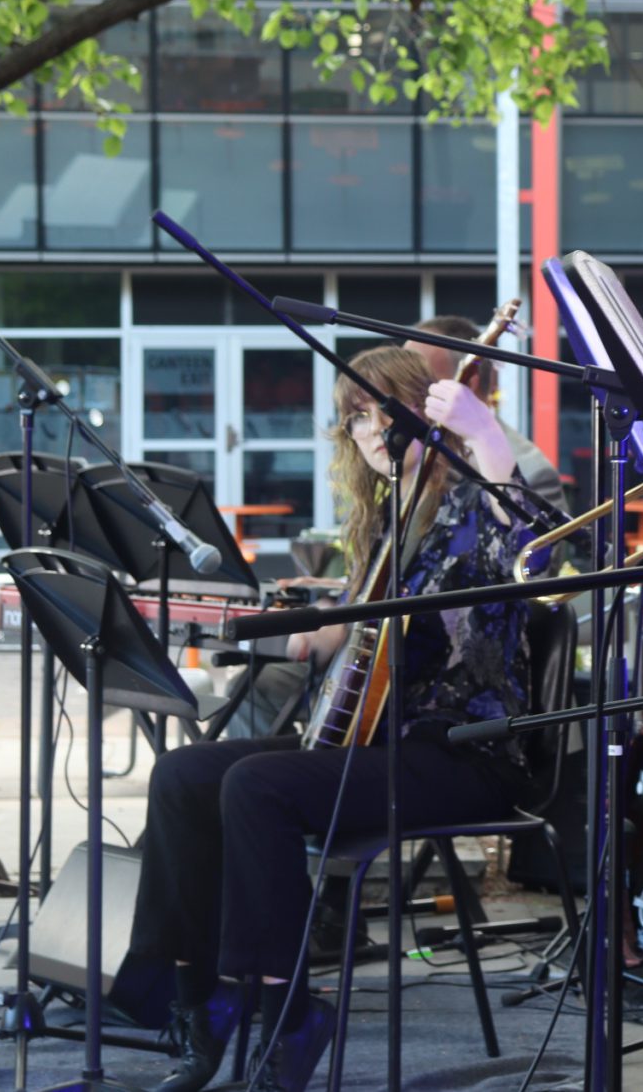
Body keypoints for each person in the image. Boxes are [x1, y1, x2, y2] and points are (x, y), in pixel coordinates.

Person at [128, 346, 537, 1092]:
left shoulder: (474, 500)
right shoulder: (385, 523)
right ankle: (203, 1002)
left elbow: (532, 550)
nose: (372, 431)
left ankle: (290, 1014)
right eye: (356, 417)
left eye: (386, 412)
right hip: (372, 739)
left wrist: (486, 436)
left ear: (427, 415)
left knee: (258, 786)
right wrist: (310, 631)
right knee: (183, 773)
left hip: (460, 751)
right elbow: (365, 638)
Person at [407, 312, 570, 520]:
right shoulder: (407, 449)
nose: (407, 397)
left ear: (467, 385)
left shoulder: (532, 471)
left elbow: (542, 549)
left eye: (419, 385)